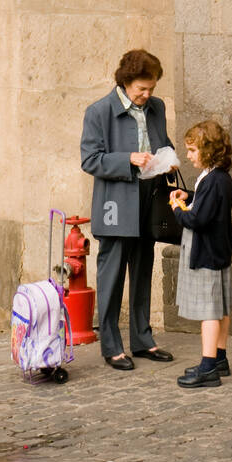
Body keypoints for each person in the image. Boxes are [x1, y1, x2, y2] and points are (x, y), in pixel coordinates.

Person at [80, 48, 174, 371]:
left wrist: (167, 158)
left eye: (151, 89)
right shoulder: (99, 112)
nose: (147, 95)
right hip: (115, 205)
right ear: (125, 82)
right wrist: (129, 159)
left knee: (143, 272)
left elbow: (164, 143)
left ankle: (143, 339)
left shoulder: (156, 108)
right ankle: (111, 345)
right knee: (113, 275)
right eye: (141, 90)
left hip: (149, 200)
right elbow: (90, 160)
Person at [169, 119, 232, 388]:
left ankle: (208, 367)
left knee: (210, 311)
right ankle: (220, 358)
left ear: (208, 150)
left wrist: (176, 207)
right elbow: (207, 201)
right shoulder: (219, 178)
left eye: (193, 150)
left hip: (206, 253)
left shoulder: (213, 181)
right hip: (219, 251)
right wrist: (189, 194)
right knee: (220, 306)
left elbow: (196, 219)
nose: (188, 155)